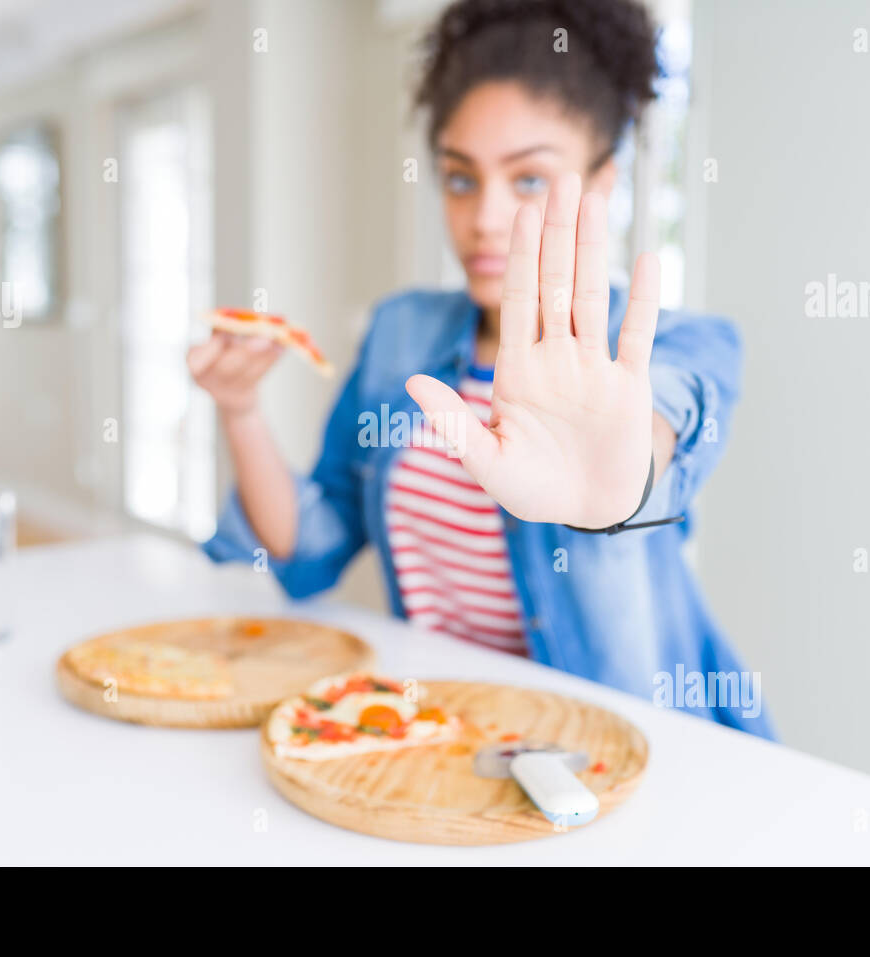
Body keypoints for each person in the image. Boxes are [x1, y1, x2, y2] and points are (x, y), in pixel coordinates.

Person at [188, 0, 775, 740]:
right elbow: (309, 550)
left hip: (624, 756)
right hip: (452, 744)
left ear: (601, 182)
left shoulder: (677, 345)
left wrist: (619, 482)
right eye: (461, 179)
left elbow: (663, 431)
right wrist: (240, 411)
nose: (486, 217)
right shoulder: (402, 332)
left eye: (529, 180)